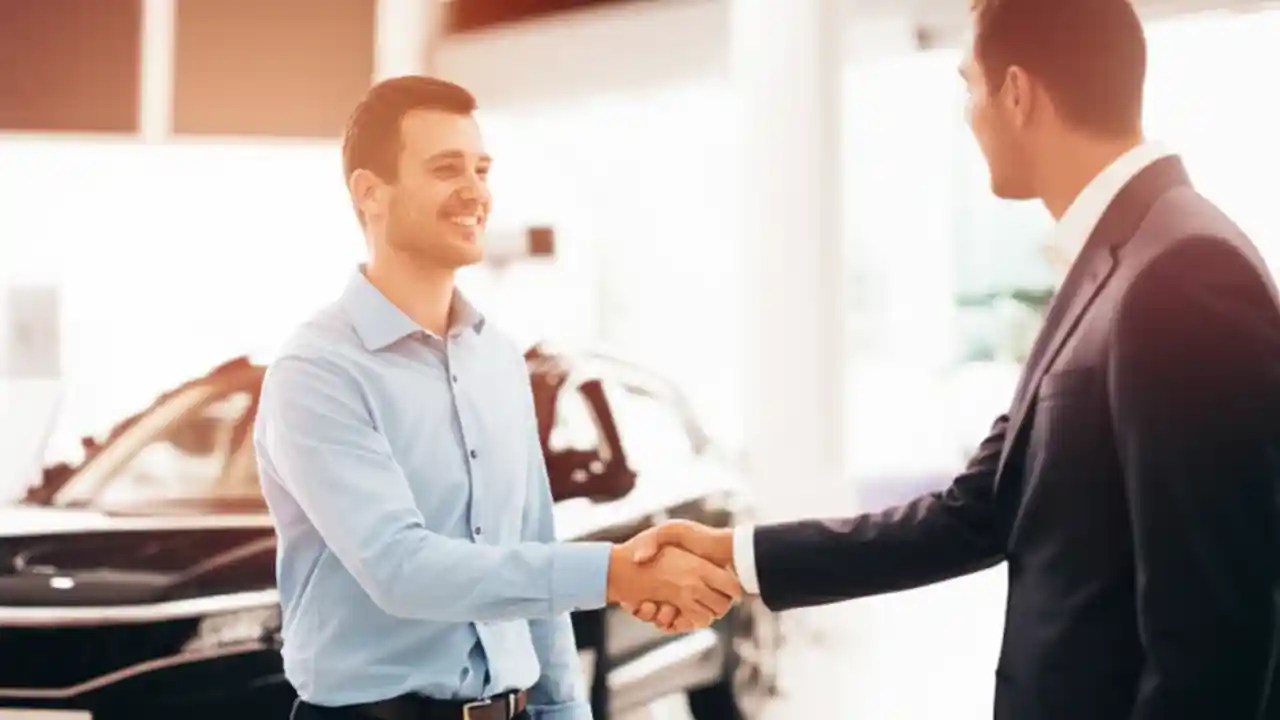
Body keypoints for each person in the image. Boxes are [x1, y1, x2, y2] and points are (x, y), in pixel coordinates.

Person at [627, 0, 1280, 718]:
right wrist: (736, 555)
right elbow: (975, 513)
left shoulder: (1180, 272)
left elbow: (1216, 631)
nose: (969, 114)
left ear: (1018, 93)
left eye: (969, 85)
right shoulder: (1116, 262)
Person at [253, 76, 741, 720]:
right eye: (446, 168)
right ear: (370, 193)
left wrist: (563, 708)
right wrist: (616, 573)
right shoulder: (317, 371)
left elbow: (533, 542)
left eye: (482, 169)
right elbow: (403, 569)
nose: (475, 191)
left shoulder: (497, 358)